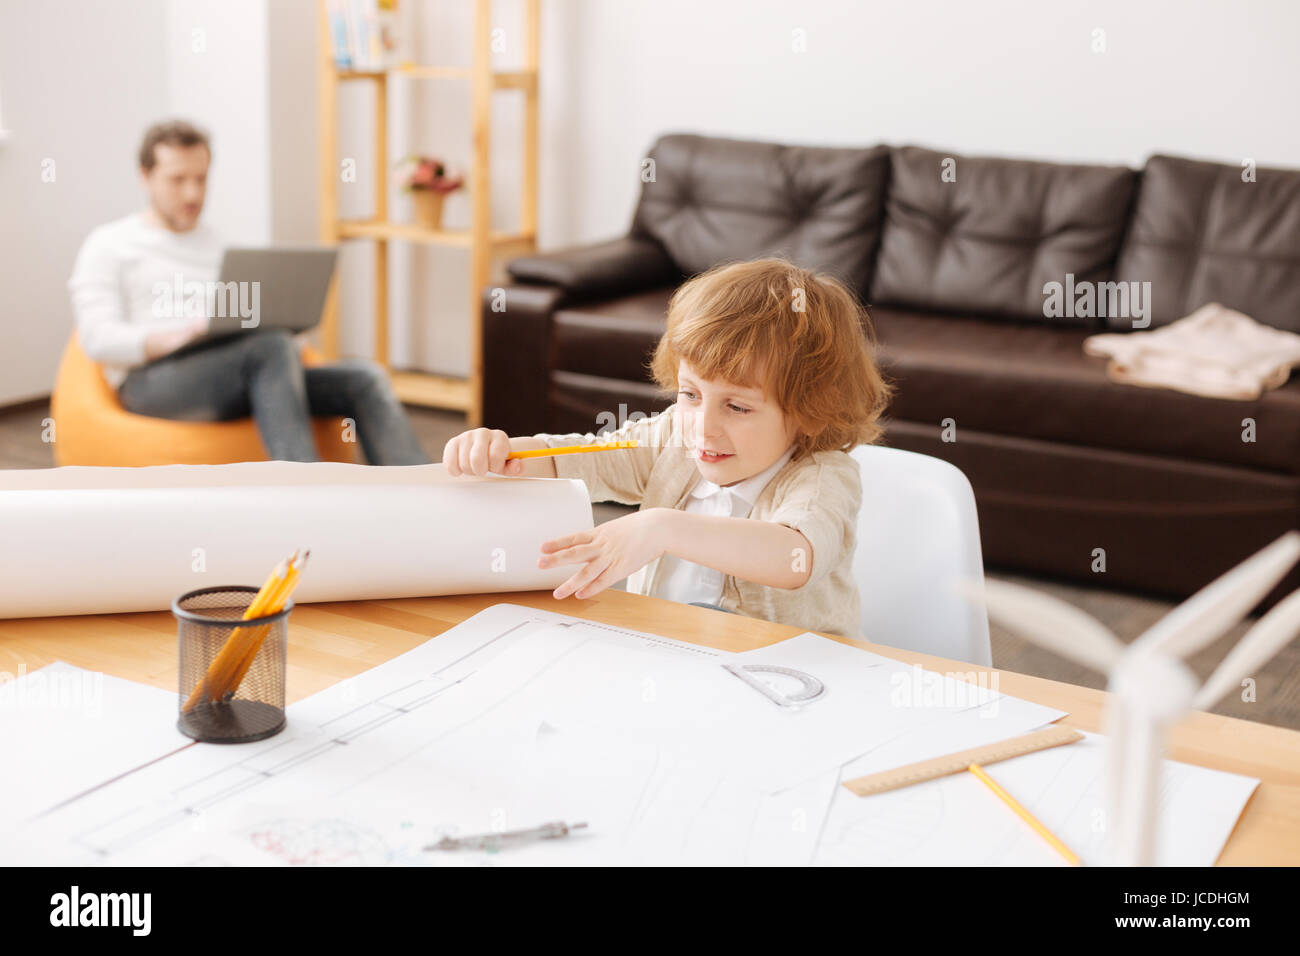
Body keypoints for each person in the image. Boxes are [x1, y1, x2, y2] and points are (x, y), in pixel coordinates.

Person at [442, 257, 892, 638]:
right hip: (672, 664)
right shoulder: (676, 437)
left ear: (810, 411)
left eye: (736, 407)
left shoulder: (821, 476)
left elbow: (794, 558)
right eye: (691, 394)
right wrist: (503, 452)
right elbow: (588, 458)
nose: (703, 428)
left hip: (796, 688)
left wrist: (662, 528)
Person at [67, 119, 429, 465]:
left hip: (241, 372)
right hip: (152, 383)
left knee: (362, 379)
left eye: (201, 179)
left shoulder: (218, 244)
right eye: (177, 180)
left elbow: (246, 325)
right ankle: (305, 491)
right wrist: (178, 336)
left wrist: (285, 329)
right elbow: (97, 339)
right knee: (268, 347)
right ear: (145, 177)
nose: (192, 193)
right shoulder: (109, 244)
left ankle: (421, 491)